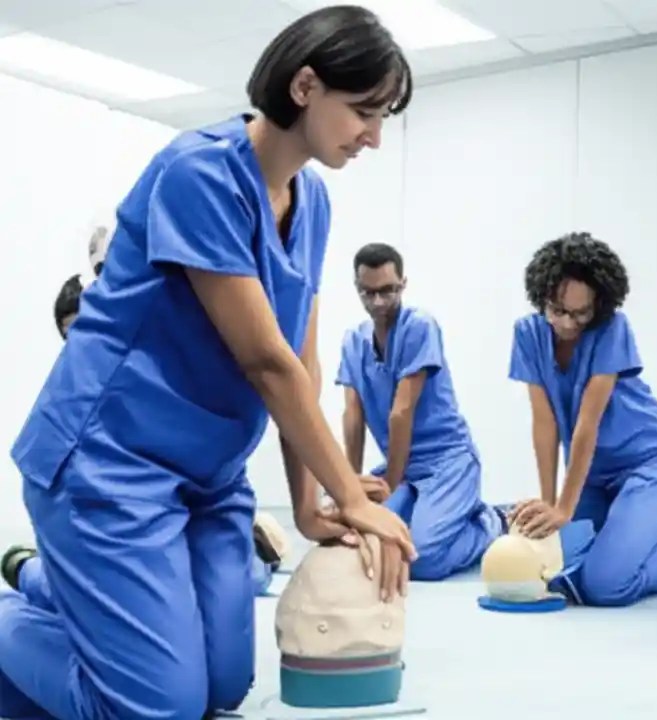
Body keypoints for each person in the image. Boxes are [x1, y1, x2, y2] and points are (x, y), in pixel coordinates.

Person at [0, 7, 419, 719]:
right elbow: (263, 362)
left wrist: (316, 505)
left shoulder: (312, 200)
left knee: (222, 689)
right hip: (109, 466)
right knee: (157, 709)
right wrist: (351, 495)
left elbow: (301, 365)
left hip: (207, 478)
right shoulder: (200, 172)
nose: (374, 137)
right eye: (364, 113)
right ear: (305, 86)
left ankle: (51, 587)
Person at [9, 272, 289, 601]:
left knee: (213, 590)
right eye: (73, 337)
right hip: (107, 537)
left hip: (169, 528)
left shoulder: (166, 391)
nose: (84, 349)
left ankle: (253, 553)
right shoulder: (65, 408)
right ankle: (27, 567)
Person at [506, 232, 657, 607]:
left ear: (599, 306)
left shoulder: (611, 329)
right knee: (558, 570)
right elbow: (545, 423)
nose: (568, 323)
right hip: (590, 475)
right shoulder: (528, 333)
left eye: (581, 313)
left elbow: (587, 424)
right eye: (558, 310)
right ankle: (642, 533)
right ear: (542, 298)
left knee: (603, 586)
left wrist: (564, 510)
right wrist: (550, 501)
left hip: (649, 464)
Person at [337, 242, 504, 581]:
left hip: (447, 462)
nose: (378, 302)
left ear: (403, 284)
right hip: (402, 467)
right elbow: (353, 419)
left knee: (420, 558)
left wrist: (392, 484)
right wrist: (349, 491)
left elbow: (401, 412)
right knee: (359, 541)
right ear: (357, 289)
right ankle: (434, 513)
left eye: (387, 291)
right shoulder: (353, 341)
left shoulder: (420, 326)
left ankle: (493, 522)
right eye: (368, 293)